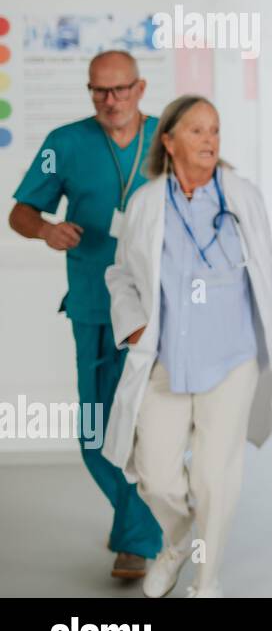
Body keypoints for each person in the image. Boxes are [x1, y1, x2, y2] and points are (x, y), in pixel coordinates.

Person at [103, 95, 272, 598]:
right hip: (163, 358)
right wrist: (134, 324)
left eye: (215, 131)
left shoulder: (240, 196)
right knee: (157, 475)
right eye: (197, 131)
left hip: (231, 358)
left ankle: (206, 584)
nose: (210, 141)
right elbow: (120, 274)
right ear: (168, 141)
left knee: (215, 478)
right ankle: (178, 542)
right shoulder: (146, 202)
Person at [7, 50, 163, 581]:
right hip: (95, 307)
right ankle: (141, 528)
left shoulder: (170, 137)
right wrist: (46, 229)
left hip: (159, 312)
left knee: (152, 430)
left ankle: (140, 540)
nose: (110, 101)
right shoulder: (64, 143)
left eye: (120, 90)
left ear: (140, 89)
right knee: (97, 435)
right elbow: (20, 212)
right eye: (99, 91)